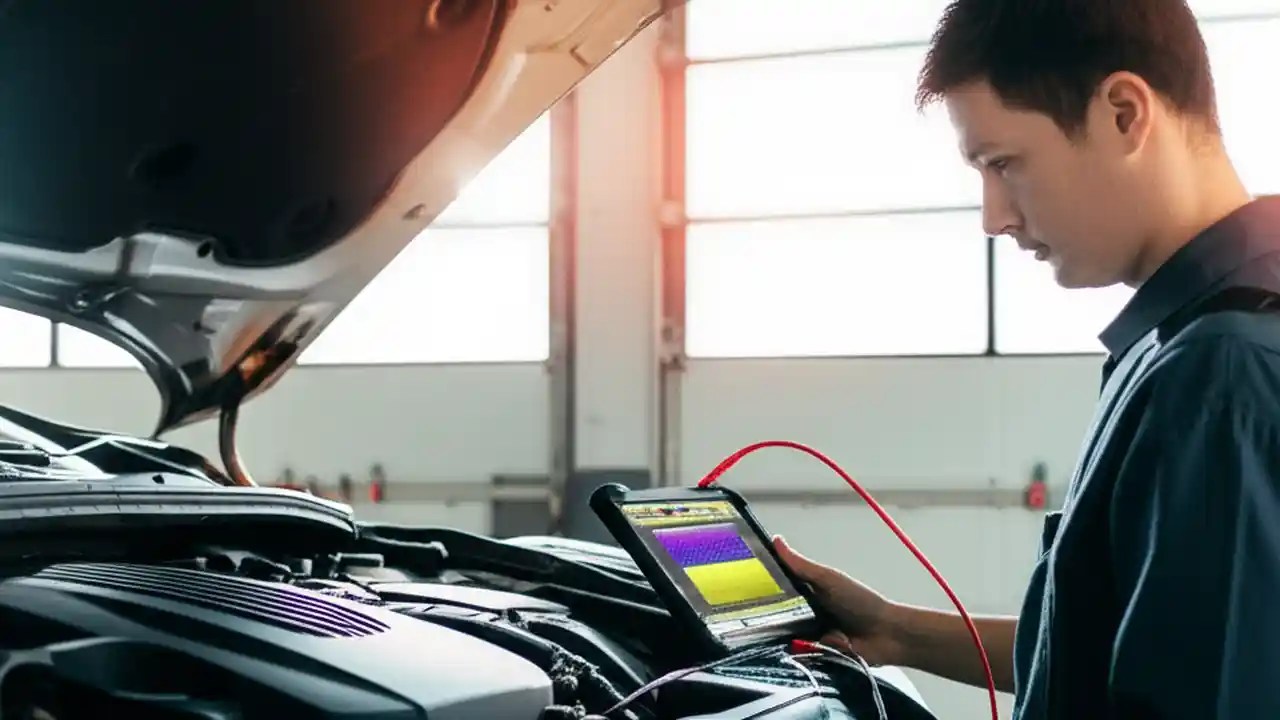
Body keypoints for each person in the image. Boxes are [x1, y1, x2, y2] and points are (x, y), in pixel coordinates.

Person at [773, 1, 1280, 718]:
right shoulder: (1184, 342)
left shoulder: (1221, 372)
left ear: (1125, 114)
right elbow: (1107, 649)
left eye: (1005, 164)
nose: (994, 217)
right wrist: (893, 629)